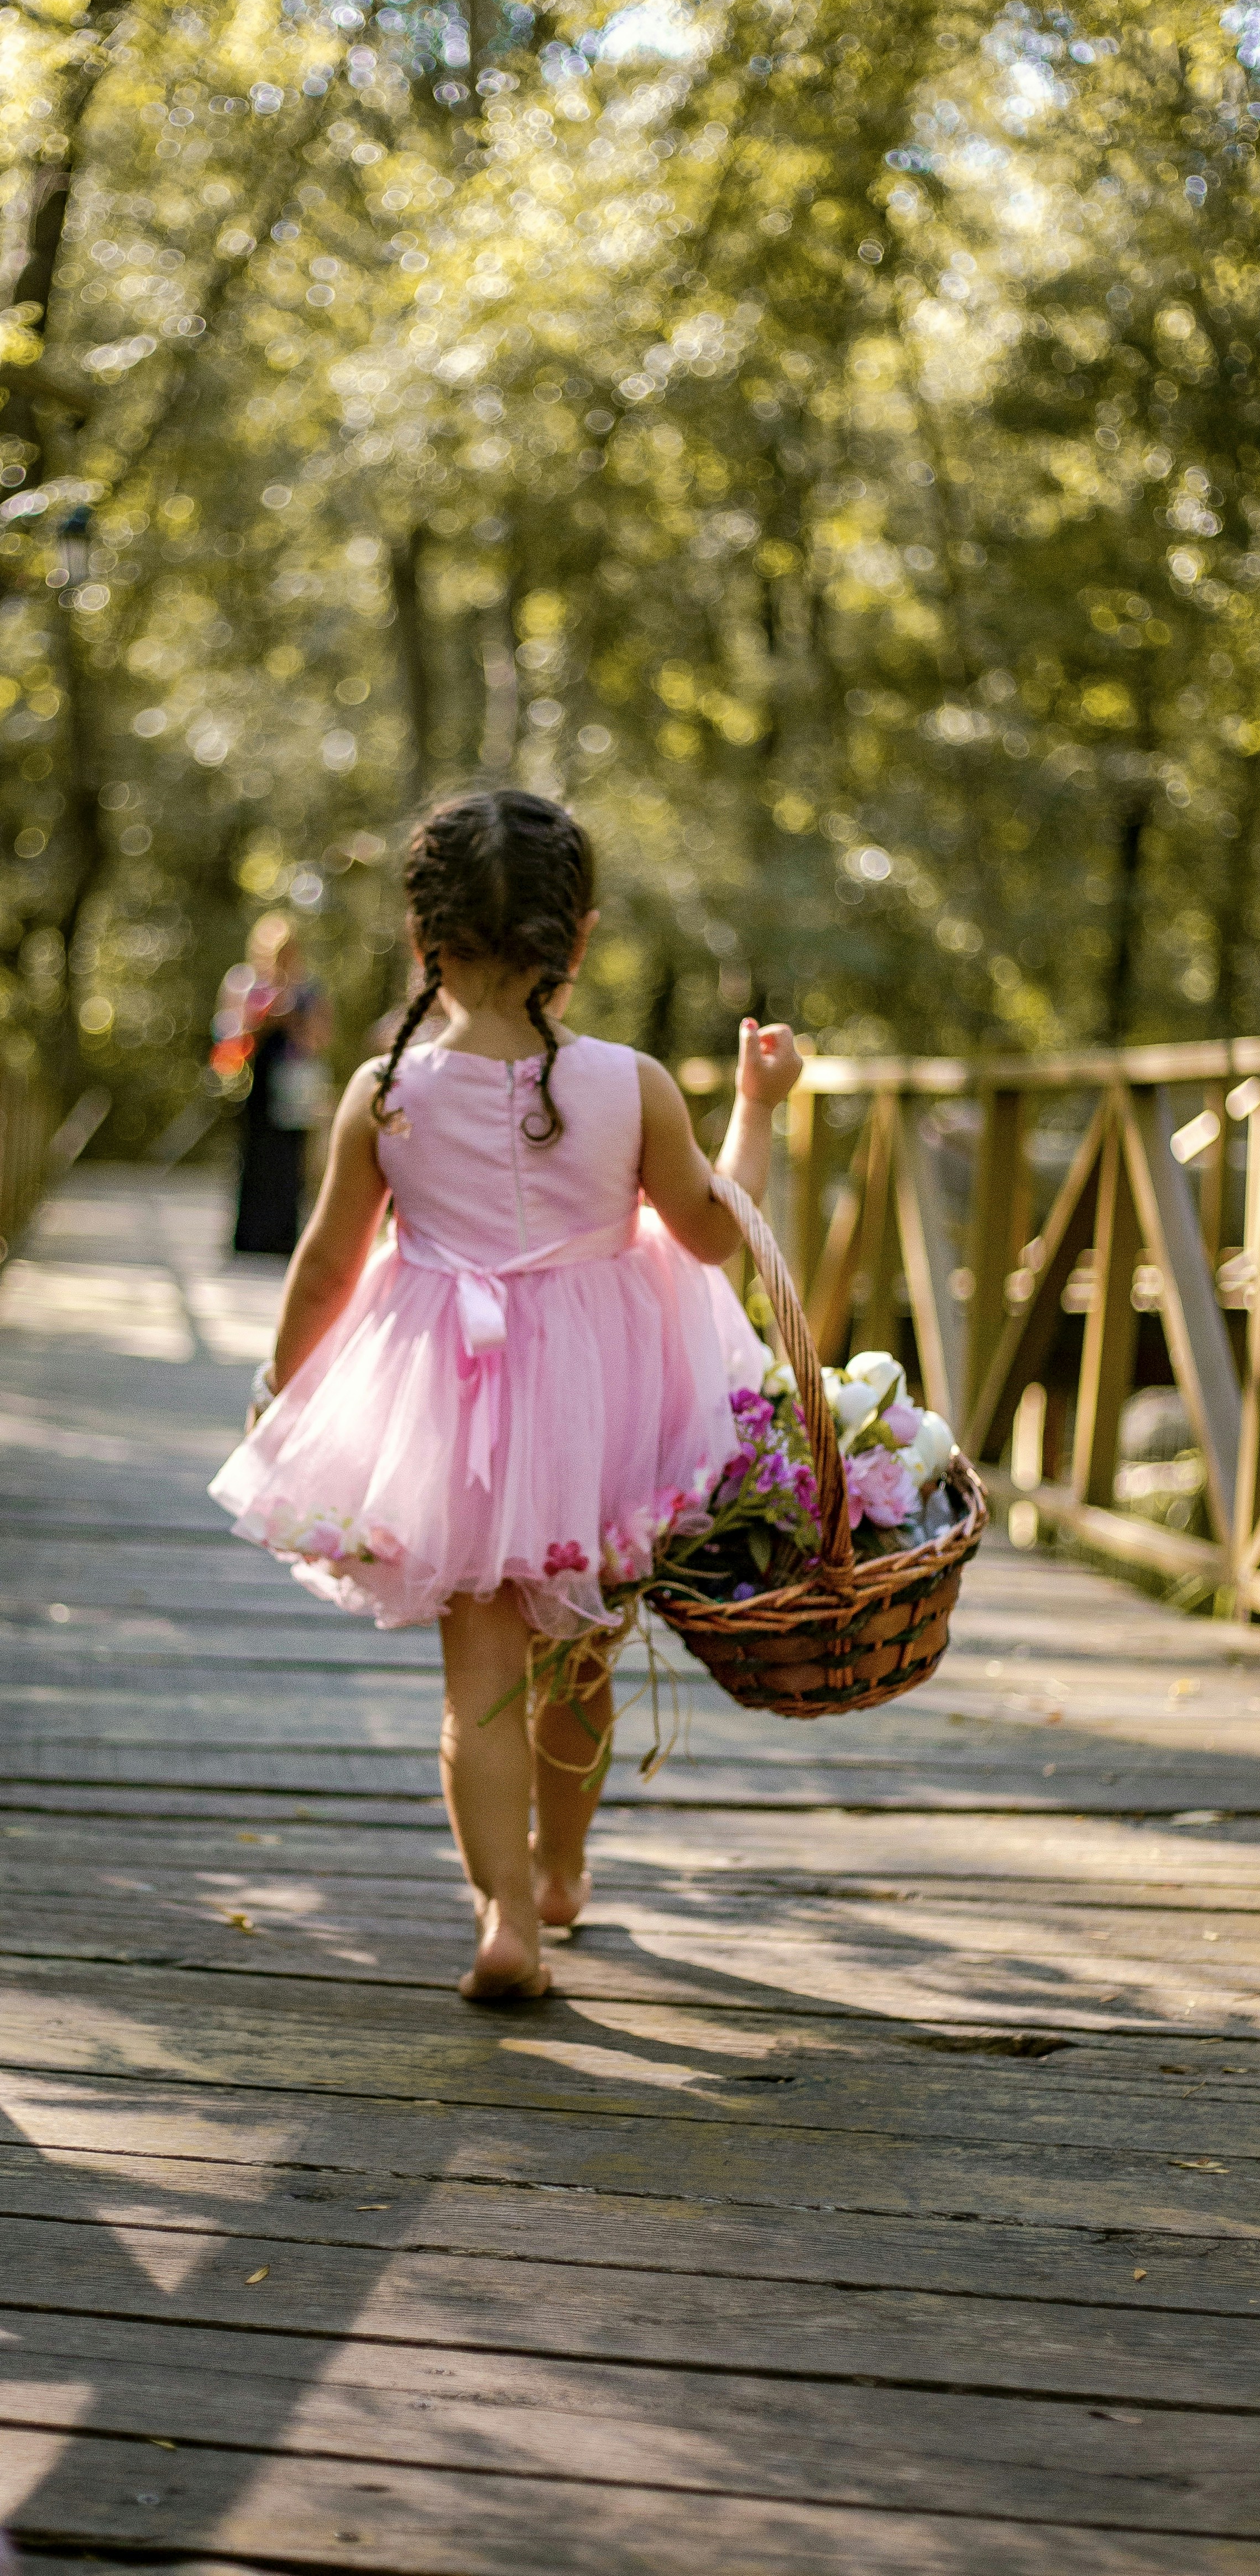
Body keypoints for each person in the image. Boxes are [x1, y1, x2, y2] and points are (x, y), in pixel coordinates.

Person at [210, 789, 801, 2002]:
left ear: (425, 941)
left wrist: (284, 1387)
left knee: (474, 1679)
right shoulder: (631, 1085)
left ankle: (503, 1924)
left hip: (451, 1413)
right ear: (579, 938)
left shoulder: (385, 1091)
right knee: (579, 1660)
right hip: (606, 1403)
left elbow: (327, 1264)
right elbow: (714, 1239)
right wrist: (756, 1110)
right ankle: (563, 1872)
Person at [213, 915, 333, 1256]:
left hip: (293, 1086)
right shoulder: (243, 982)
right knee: (253, 1158)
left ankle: (283, 1240)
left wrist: (295, 1018)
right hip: (254, 1083)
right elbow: (225, 1034)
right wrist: (260, 1021)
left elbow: (321, 1037)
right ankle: (249, 1239)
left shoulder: (309, 989)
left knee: (289, 1161)